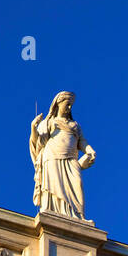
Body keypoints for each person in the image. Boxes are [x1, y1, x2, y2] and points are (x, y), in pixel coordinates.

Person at [29, 91, 96, 220]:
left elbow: (82, 141)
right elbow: (38, 143)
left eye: (71, 105)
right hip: (52, 157)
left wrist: (90, 150)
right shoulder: (49, 122)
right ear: (58, 103)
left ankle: (78, 216)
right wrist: (33, 127)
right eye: (67, 104)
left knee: (78, 184)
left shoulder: (75, 125)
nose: (69, 108)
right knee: (54, 186)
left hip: (71, 160)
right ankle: (52, 211)